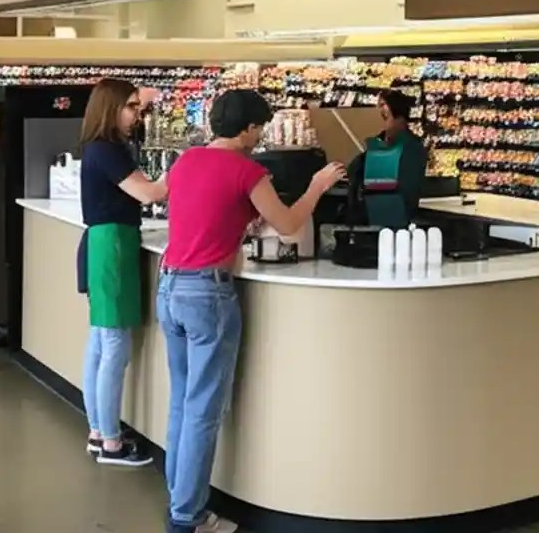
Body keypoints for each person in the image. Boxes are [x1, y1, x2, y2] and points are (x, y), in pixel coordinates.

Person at [159, 89, 344, 533]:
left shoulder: (186, 161)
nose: (260, 136)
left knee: (182, 403)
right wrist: (317, 186)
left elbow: (203, 214)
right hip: (208, 295)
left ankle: (178, 499)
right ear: (247, 129)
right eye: (259, 128)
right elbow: (289, 224)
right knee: (203, 410)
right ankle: (188, 517)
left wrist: (243, 220)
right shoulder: (248, 170)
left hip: (171, 287)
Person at [76, 78, 167, 467]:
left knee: (101, 342)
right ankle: (111, 442)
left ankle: (99, 430)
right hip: (111, 246)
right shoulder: (108, 150)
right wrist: (187, 166)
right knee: (114, 345)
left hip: (105, 244)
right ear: (111, 108)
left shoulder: (99, 148)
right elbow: (149, 193)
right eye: (131, 107)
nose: (136, 115)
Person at [346, 89, 427, 228]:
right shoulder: (376, 144)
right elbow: (353, 170)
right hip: (371, 219)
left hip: (395, 221)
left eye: (383, 105)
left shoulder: (411, 147)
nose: (378, 110)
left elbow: (409, 191)